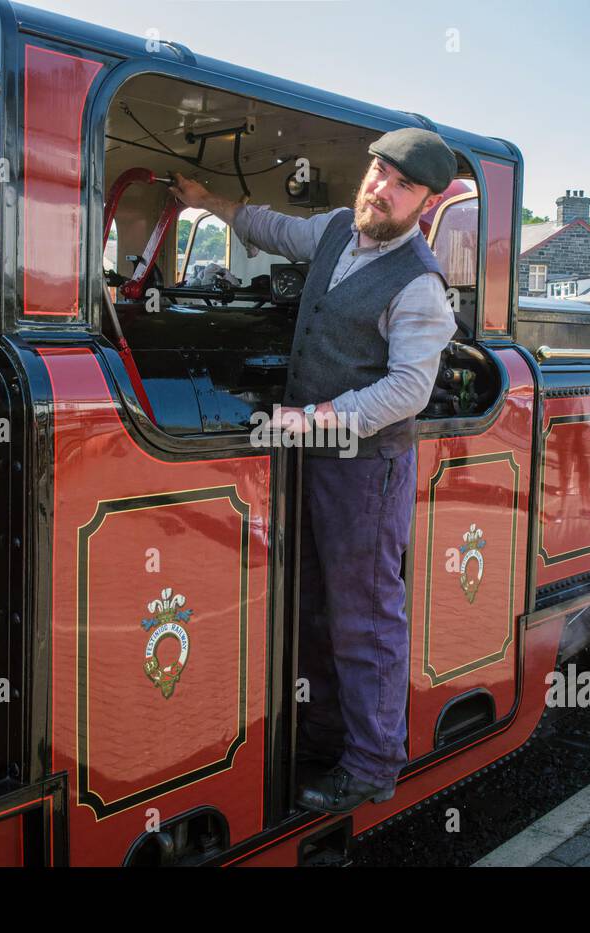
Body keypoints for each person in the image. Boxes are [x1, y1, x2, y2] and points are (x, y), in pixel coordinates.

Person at [169, 128, 457, 813]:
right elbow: (273, 228)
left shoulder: (419, 284)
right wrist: (211, 201)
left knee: (365, 620)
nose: (381, 189)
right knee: (313, 606)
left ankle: (374, 763)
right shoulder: (334, 230)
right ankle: (324, 736)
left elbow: (406, 392)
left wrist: (312, 416)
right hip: (310, 459)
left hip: (366, 472)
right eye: (379, 173)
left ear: (424, 203)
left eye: (402, 185)